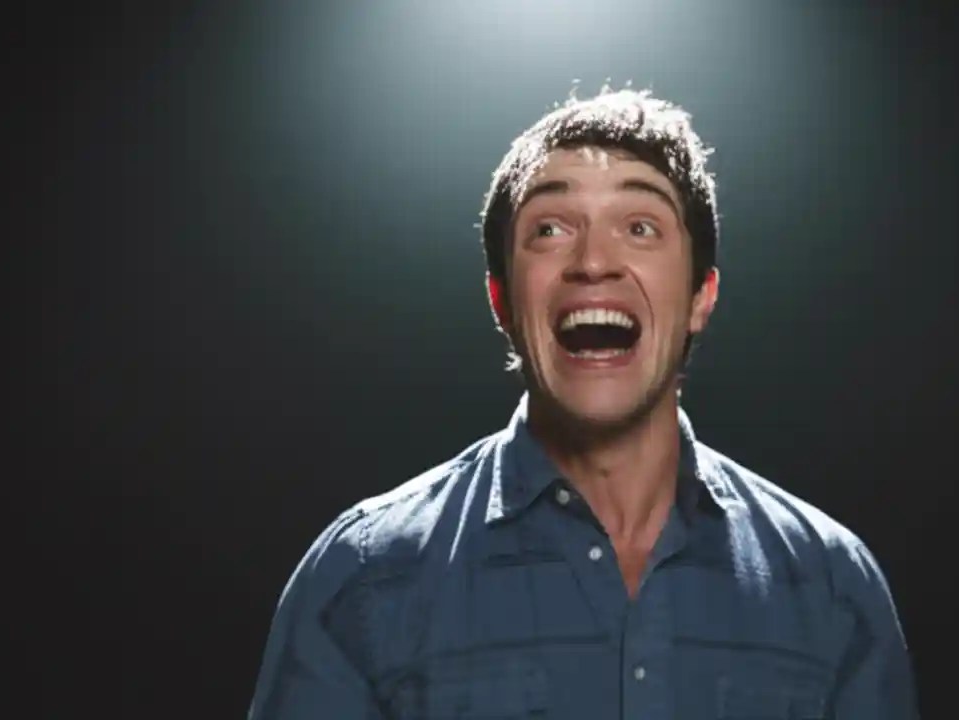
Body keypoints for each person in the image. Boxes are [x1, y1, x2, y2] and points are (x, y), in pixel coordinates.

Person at [247, 88, 919, 719]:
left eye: (640, 226)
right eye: (550, 229)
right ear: (502, 301)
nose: (594, 261)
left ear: (701, 297)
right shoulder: (363, 577)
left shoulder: (833, 587)